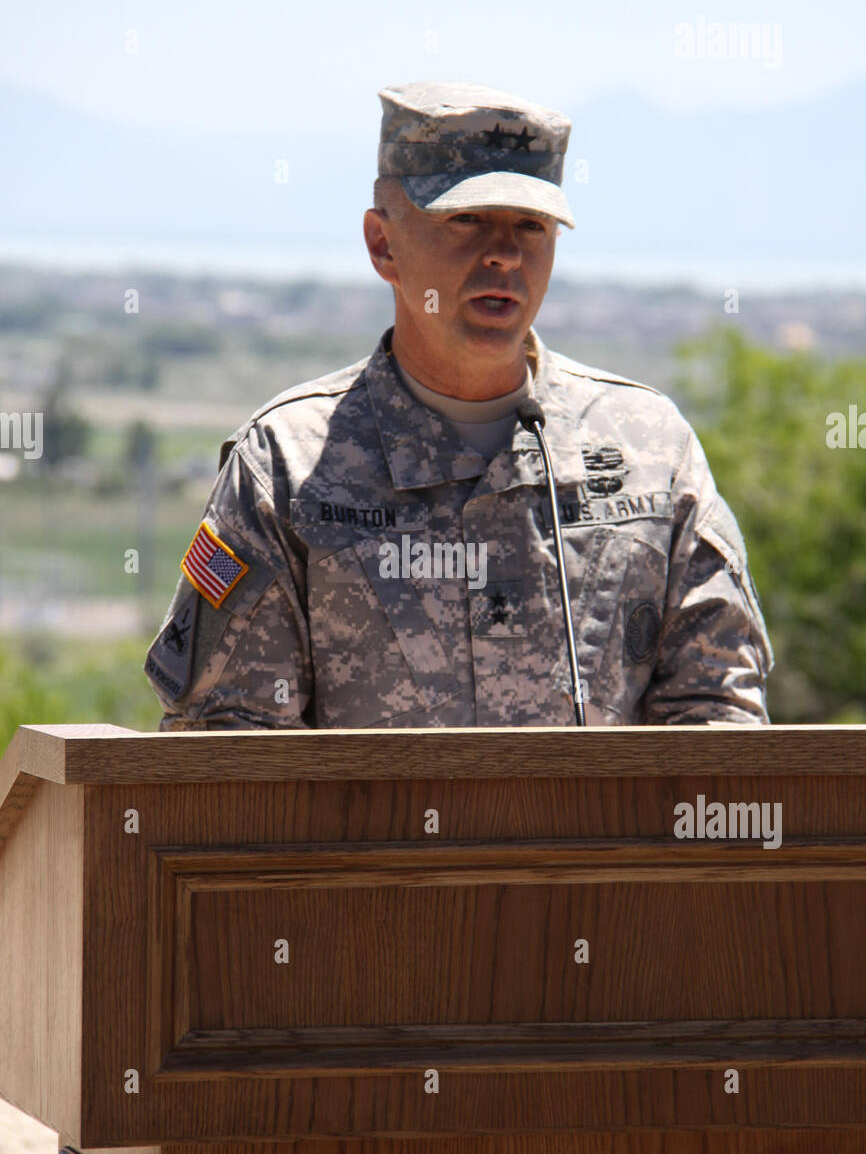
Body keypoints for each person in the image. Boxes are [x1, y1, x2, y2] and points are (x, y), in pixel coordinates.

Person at [143, 80, 774, 730]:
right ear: (383, 245)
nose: (503, 252)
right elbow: (229, 750)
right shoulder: (287, 465)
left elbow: (717, 717)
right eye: (465, 219)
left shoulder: (650, 450)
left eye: (531, 225)